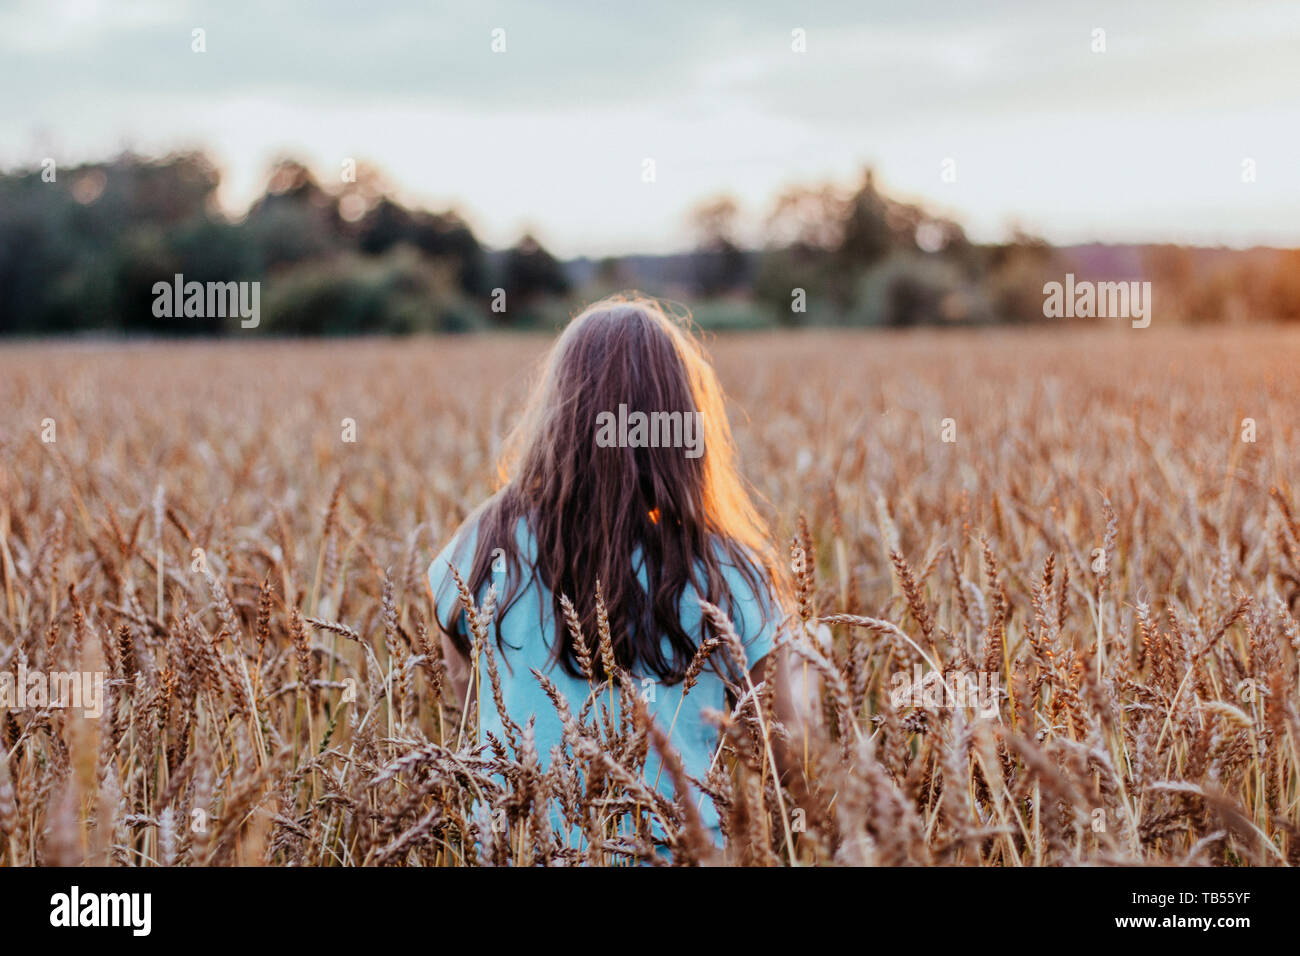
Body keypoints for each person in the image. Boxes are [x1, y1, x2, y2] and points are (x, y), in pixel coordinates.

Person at [429, 293, 809, 849]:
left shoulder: (484, 544)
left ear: (558, 413)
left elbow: (464, 700)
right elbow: (787, 754)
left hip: (522, 853)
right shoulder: (730, 567)